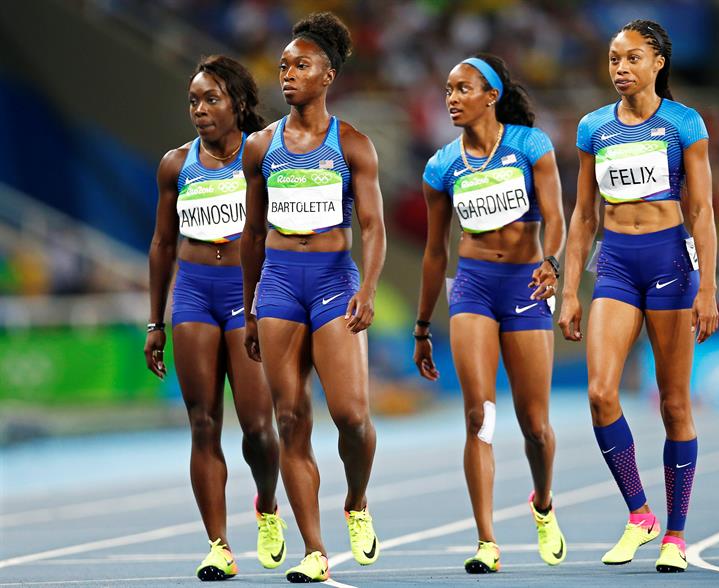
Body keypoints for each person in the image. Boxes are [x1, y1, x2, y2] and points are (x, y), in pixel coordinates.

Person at [558, 20, 718, 573]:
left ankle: (675, 534)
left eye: (632, 58)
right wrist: (569, 289)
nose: (620, 68)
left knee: (674, 404)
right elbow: (583, 215)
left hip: (671, 262)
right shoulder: (593, 127)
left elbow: (702, 210)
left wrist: (709, 287)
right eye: (613, 59)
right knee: (601, 392)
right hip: (617, 265)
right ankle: (640, 514)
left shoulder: (683, 122)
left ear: (657, 63)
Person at [240, 12, 386, 584]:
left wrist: (368, 289)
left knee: (351, 415)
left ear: (328, 75)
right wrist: (251, 306)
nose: (288, 75)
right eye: (283, 66)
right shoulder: (261, 146)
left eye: (301, 66)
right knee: (290, 417)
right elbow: (252, 234)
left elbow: (373, 227)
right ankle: (315, 549)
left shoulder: (352, 144)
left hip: (333, 281)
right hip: (279, 283)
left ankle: (356, 501)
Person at [413, 53, 567, 574]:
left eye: (463, 88)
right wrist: (422, 326)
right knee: (479, 416)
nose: (451, 98)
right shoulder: (441, 166)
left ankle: (542, 503)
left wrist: (552, 262)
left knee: (535, 425)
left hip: (526, 285)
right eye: (448, 89)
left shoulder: (529, 145)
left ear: (491, 95)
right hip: (473, 289)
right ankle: (486, 540)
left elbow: (557, 217)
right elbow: (435, 253)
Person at [144, 55, 285, 582]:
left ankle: (267, 506)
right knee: (203, 423)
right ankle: (219, 546)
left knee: (257, 427)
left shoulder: (264, 156)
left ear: (238, 103)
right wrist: (155, 323)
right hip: (194, 295)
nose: (199, 110)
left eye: (211, 99)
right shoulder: (175, 165)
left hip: (247, 296)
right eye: (193, 101)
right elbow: (162, 244)